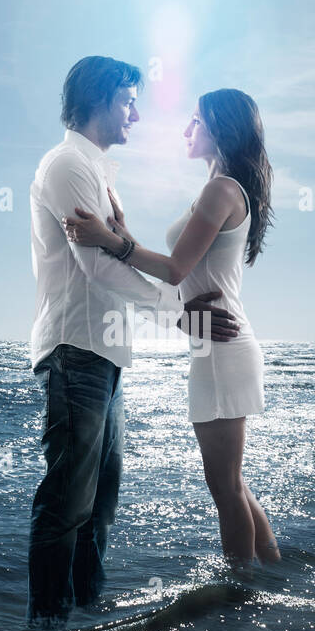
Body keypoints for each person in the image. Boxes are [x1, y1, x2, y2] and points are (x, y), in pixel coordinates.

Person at [27, 56, 239, 628]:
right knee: (69, 500)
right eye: (127, 101)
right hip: (76, 348)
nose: (137, 114)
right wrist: (179, 315)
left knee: (99, 503)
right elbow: (97, 268)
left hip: (104, 353)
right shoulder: (69, 164)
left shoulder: (97, 169)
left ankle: (84, 618)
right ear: (98, 100)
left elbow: (116, 253)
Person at [65, 88, 280, 571]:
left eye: (195, 121)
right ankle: (273, 573)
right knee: (234, 483)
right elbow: (180, 265)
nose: (186, 130)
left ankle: (241, 594)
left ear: (221, 127)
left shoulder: (221, 190)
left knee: (225, 486)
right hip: (215, 341)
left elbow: (176, 271)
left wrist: (108, 241)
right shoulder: (220, 188)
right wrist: (122, 236)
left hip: (222, 345)